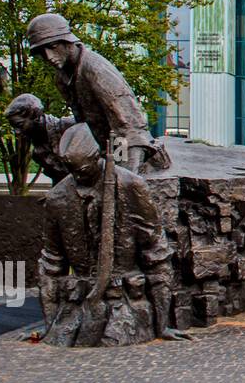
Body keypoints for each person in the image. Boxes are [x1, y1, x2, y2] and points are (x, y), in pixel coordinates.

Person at [38, 123, 181, 347]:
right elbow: (50, 265)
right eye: (72, 171)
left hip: (125, 304)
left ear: (97, 157)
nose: (78, 177)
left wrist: (163, 324)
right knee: (60, 340)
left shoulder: (131, 185)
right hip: (78, 305)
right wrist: (49, 324)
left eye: (83, 170)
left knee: (112, 339)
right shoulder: (57, 198)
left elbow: (157, 255)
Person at [25, 13, 169, 173]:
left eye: (52, 47)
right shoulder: (62, 77)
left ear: (68, 42)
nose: (49, 57)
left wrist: (123, 171)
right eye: (41, 52)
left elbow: (130, 128)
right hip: (99, 153)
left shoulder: (96, 70)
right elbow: (85, 123)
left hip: (126, 150)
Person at [4, 93, 74, 184]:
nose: (17, 132)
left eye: (19, 125)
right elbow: (59, 183)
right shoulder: (38, 154)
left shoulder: (69, 125)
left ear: (35, 116)